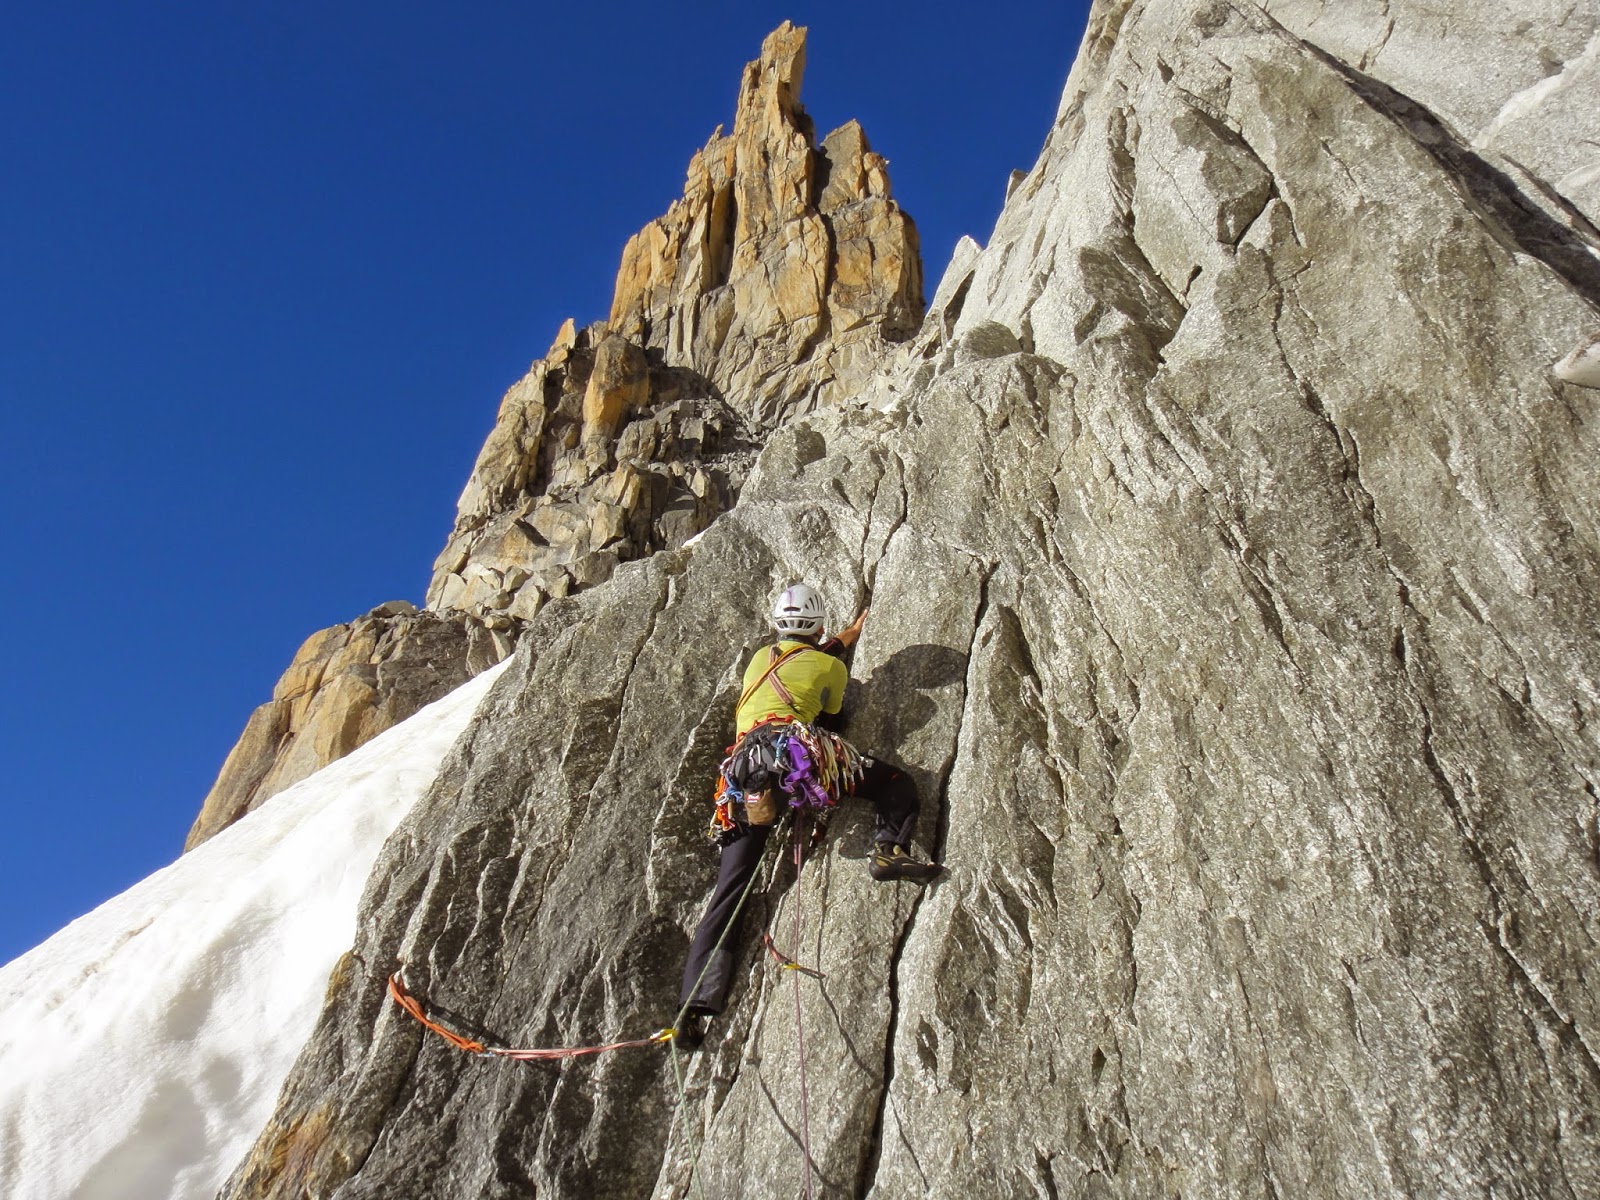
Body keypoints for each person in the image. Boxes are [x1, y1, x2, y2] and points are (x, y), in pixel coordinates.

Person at [676, 583, 941, 1046]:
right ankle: (888, 849)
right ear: (818, 627)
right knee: (892, 782)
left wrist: (849, 634)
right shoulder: (828, 666)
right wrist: (840, 646)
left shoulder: (759, 660)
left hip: (744, 774)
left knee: (731, 885)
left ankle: (694, 1005)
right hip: (796, 760)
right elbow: (832, 713)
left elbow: (804, 656)